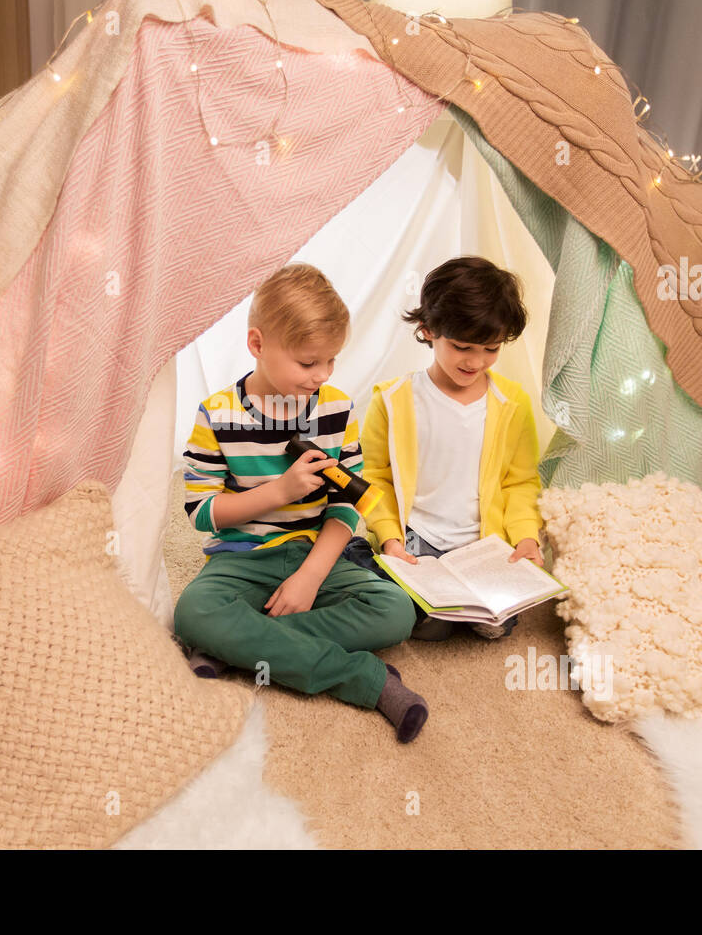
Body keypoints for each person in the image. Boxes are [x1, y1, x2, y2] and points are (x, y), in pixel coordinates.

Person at [173, 263, 428, 742]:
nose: (322, 376)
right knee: (194, 611)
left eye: (331, 361)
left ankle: (233, 647)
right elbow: (202, 513)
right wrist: (279, 492)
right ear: (257, 345)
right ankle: (366, 681)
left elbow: (345, 507)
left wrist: (310, 577)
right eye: (308, 363)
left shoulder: (336, 409)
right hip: (242, 556)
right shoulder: (217, 415)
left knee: (396, 611)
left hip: (317, 553)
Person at [347, 255, 545, 641]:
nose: (476, 361)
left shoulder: (512, 403)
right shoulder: (393, 400)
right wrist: (389, 536)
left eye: (491, 349)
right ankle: (368, 561)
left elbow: (520, 483)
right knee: (425, 625)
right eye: (462, 347)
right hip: (416, 536)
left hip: (484, 544)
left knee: (497, 627)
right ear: (427, 331)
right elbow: (374, 479)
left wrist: (526, 538)